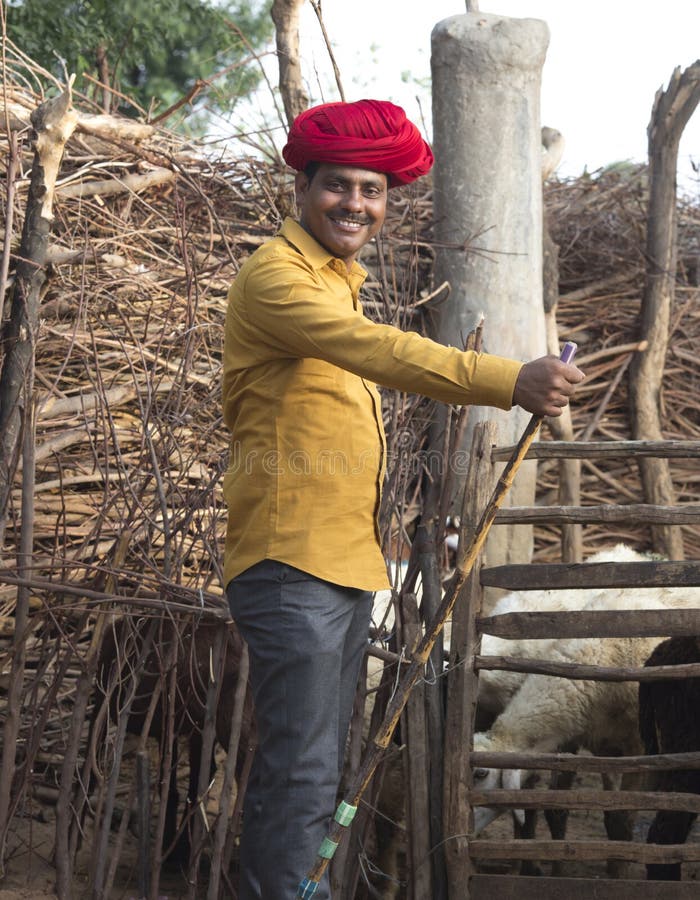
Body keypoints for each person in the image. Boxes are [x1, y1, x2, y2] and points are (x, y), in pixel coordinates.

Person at [223, 98, 584, 899]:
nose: (357, 204)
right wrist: (507, 380)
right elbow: (380, 351)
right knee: (303, 764)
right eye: (339, 186)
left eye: (374, 191)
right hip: (291, 565)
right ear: (302, 187)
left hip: (336, 563)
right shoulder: (279, 280)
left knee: (322, 762)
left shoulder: (333, 281)